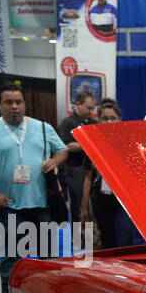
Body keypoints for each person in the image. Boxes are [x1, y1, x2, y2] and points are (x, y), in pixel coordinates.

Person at [0, 82, 69, 293]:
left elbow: (62, 150)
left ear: (24, 104)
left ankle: (48, 291)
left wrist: (55, 161)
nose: (14, 106)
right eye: (8, 102)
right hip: (9, 203)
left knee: (48, 252)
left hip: (42, 201)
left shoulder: (42, 128)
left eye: (18, 102)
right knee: (11, 252)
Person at [81, 99, 140, 249]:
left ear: (120, 120)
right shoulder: (92, 144)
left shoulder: (129, 144)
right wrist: (84, 207)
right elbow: (88, 176)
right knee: (107, 244)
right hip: (100, 201)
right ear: (98, 120)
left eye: (113, 118)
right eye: (104, 118)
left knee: (124, 242)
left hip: (124, 202)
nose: (108, 122)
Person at [57, 89, 97, 222]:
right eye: (88, 108)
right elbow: (66, 146)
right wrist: (87, 144)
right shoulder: (68, 123)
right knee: (79, 207)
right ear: (78, 104)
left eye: (92, 108)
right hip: (76, 170)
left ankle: (91, 234)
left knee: (91, 207)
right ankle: (78, 235)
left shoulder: (93, 123)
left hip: (92, 170)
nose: (90, 111)